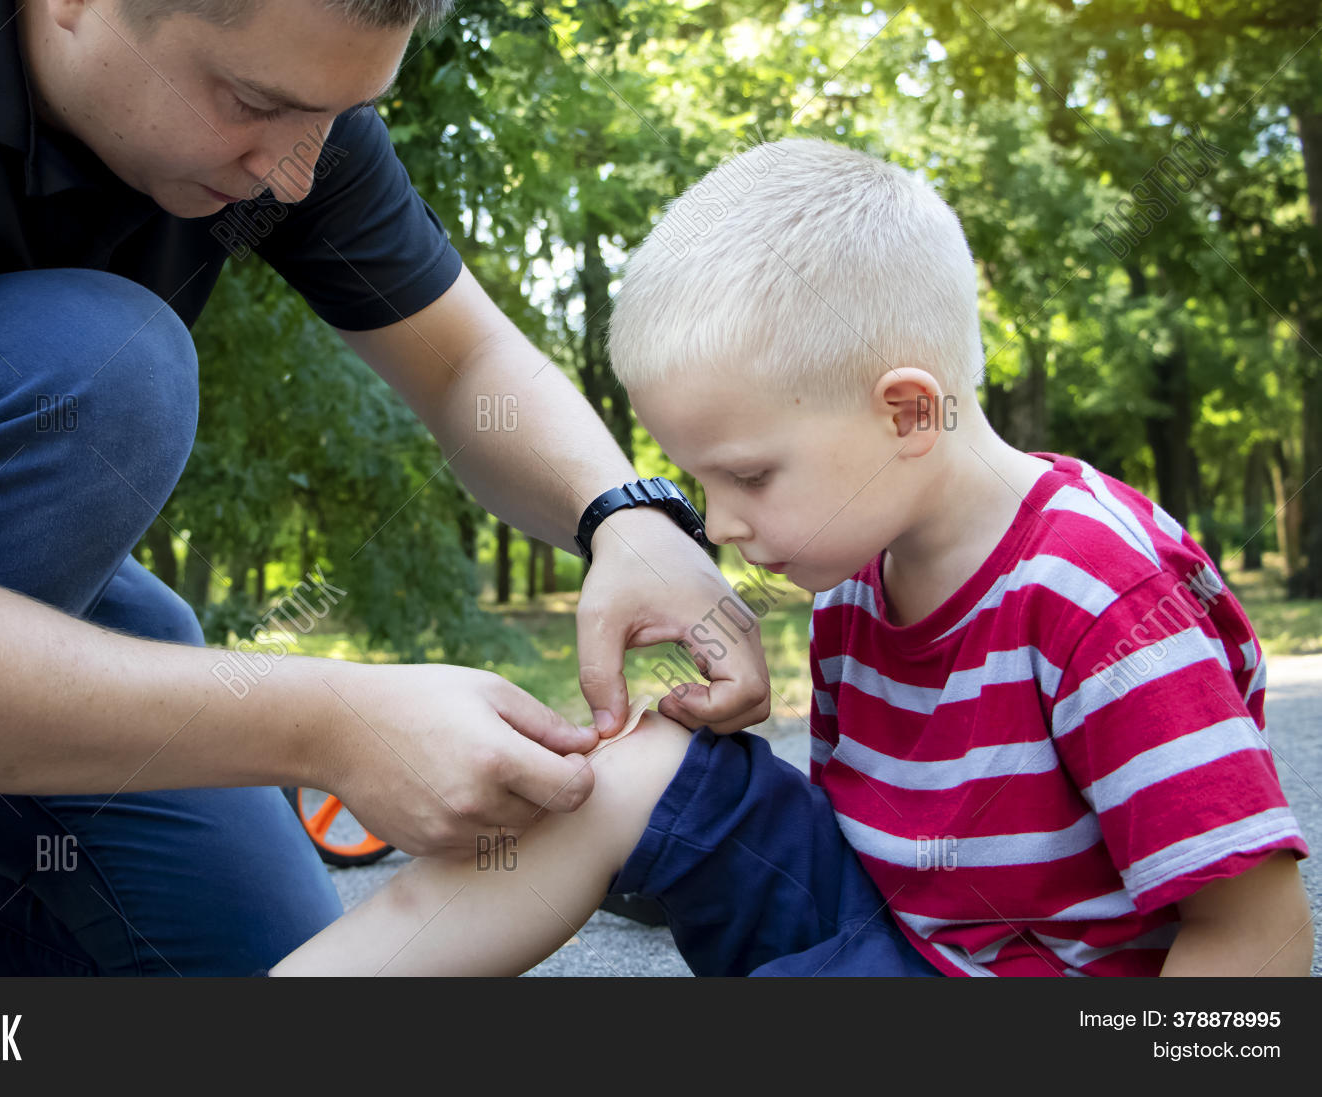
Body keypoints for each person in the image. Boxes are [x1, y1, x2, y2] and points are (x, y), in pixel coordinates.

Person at [0, 0, 769, 976]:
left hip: (10, 589)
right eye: (253, 103)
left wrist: (625, 515)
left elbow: (466, 365)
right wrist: (329, 723)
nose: (294, 174)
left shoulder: (294, 95)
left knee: (277, 969)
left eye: (336, 116)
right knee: (100, 372)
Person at [269, 138, 1314, 977]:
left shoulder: (1100, 594)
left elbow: (1256, 937)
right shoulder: (862, 567)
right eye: (698, 480)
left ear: (909, 412)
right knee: (635, 765)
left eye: (751, 478)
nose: (717, 524)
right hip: (888, 926)